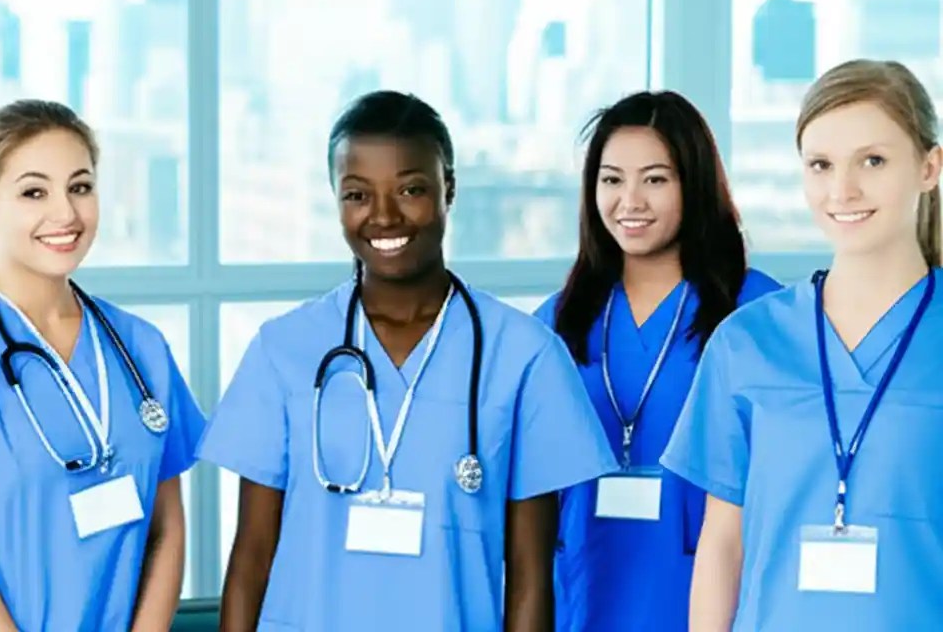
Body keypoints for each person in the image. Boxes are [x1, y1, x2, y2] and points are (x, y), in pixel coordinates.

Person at [200, 90, 617, 631]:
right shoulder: (284, 349)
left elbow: (530, 574)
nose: (384, 216)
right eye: (357, 195)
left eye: (411, 189)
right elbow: (252, 557)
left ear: (450, 188)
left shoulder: (524, 355)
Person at [0, 99, 205, 631]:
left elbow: (167, 528)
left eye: (80, 186)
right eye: (33, 192)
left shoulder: (141, 347)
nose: (65, 213)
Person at [662, 59, 943, 631]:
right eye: (821, 165)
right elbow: (723, 546)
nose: (843, 190)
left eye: (873, 160)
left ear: (929, 167)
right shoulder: (746, 343)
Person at [534, 91, 781, 632]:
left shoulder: (759, 316)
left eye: (655, 179)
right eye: (612, 179)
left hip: (703, 597)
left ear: (693, 184)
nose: (631, 201)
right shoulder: (556, 321)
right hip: (586, 588)